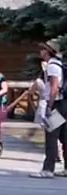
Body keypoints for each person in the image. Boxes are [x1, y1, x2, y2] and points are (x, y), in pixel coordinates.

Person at [31, 40, 67, 178]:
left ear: (47, 51)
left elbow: (54, 87)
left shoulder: (52, 66)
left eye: (42, 49)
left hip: (57, 103)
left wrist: (49, 106)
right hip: (64, 104)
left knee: (51, 136)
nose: (40, 52)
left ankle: (48, 169)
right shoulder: (59, 64)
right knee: (64, 137)